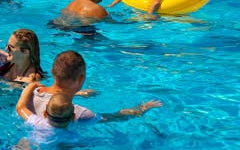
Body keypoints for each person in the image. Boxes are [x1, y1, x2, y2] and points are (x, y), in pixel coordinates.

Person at [18, 51, 161, 126]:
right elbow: (115, 117)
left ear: (53, 71)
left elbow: (48, 97)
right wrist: (141, 109)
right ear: (81, 79)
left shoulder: (31, 94)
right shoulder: (79, 113)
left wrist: (78, 93)